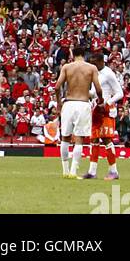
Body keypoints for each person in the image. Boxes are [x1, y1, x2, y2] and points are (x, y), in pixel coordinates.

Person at [55, 44, 104, 179]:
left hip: (69, 103)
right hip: (83, 103)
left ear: (72, 55)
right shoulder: (91, 68)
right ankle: (73, 171)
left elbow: (57, 86)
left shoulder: (66, 67)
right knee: (79, 139)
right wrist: (100, 100)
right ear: (84, 55)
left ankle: (65, 171)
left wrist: (59, 103)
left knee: (65, 137)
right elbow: (98, 89)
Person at [82, 52, 124, 182]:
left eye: (94, 62)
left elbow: (120, 93)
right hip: (96, 109)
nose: (92, 64)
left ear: (101, 62)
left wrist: (107, 103)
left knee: (107, 140)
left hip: (105, 110)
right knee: (94, 140)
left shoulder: (108, 73)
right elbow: (95, 92)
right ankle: (92, 171)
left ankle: (114, 171)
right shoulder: (96, 73)